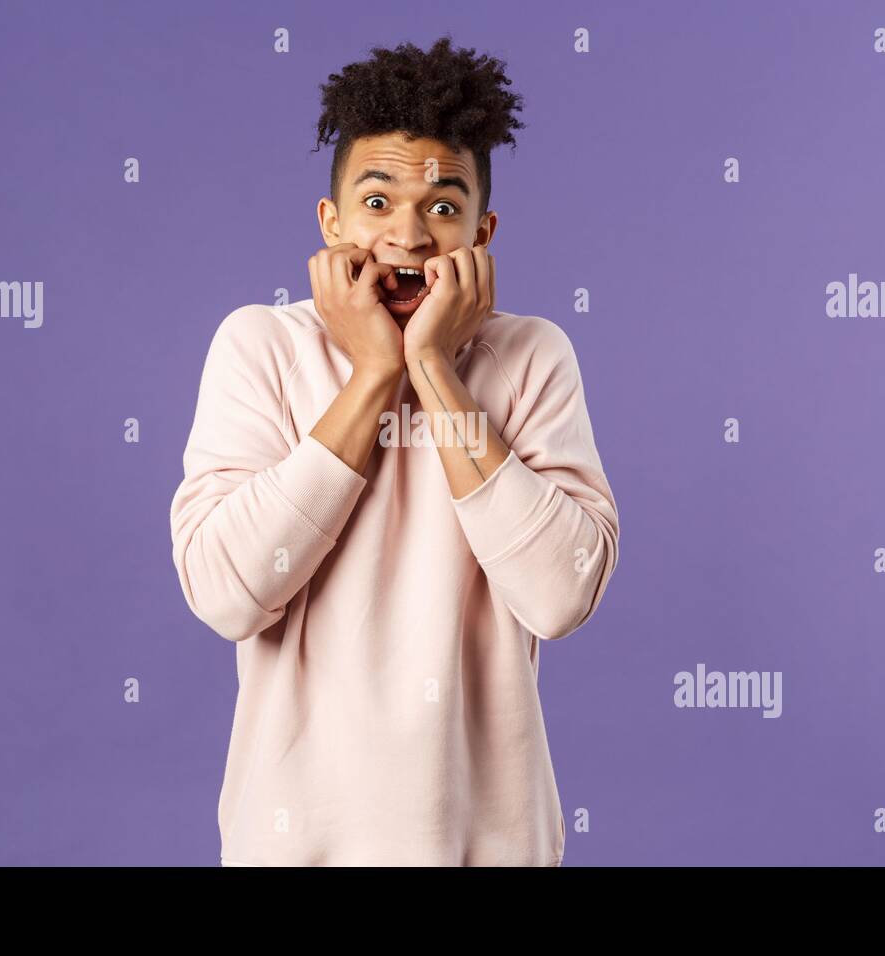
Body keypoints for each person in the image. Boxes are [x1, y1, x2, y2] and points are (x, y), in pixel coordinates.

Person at [169, 35, 619, 866]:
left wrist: (434, 370)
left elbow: (558, 595)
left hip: (491, 844)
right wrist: (375, 372)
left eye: (443, 207)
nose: (408, 237)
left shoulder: (532, 356)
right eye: (377, 203)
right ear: (330, 221)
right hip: (293, 844)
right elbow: (228, 593)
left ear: (482, 231)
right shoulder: (260, 345)